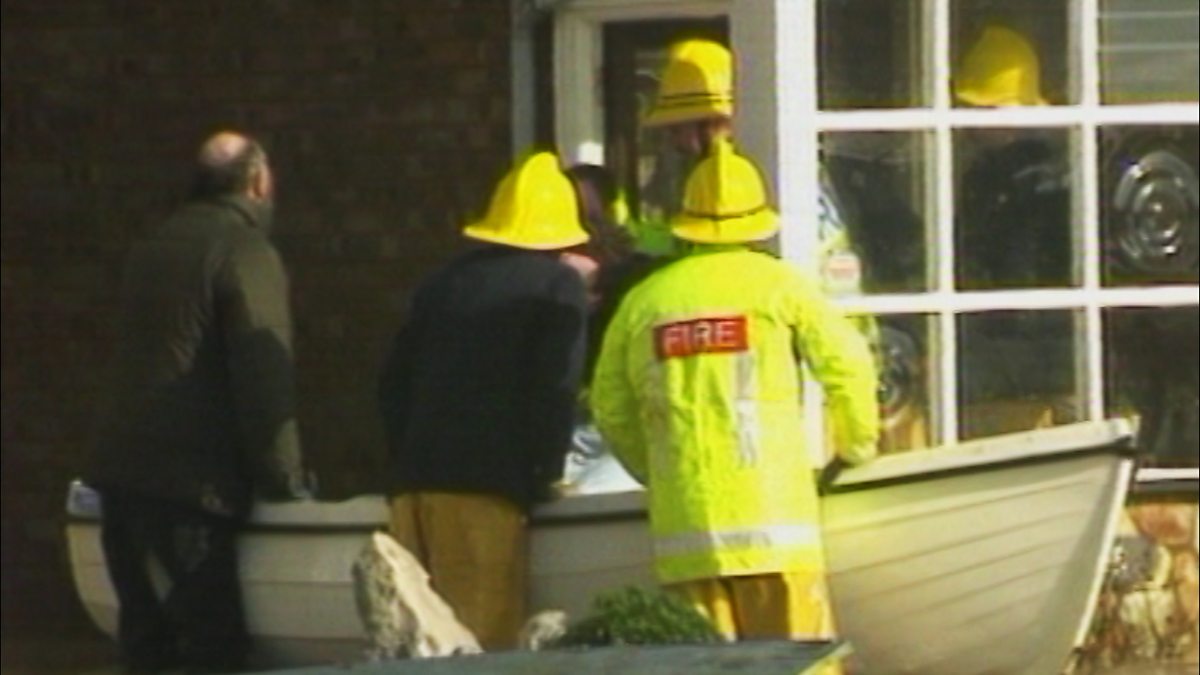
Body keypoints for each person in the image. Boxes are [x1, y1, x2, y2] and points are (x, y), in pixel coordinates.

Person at [589, 139, 880, 646]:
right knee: (799, 663)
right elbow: (849, 366)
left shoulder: (645, 301)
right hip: (776, 524)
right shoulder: (778, 287)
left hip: (686, 533)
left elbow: (610, 409)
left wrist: (657, 471)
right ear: (757, 223)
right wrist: (857, 447)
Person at [87, 130, 310, 673]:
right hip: (193, 489)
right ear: (258, 182)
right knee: (214, 647)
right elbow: (264, 377)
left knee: (146, 644)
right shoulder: (244, 251)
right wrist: (286, 482)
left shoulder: (154, 245)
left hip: (121, 476)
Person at [377, 152, 590, 650]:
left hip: (412, 488)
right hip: (483, 494)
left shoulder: (443, 282)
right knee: (478, 646)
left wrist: (404, 460)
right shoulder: (556, 286)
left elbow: (392, 383)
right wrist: (544, 472)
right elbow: (554, 387)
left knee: (414, 645)